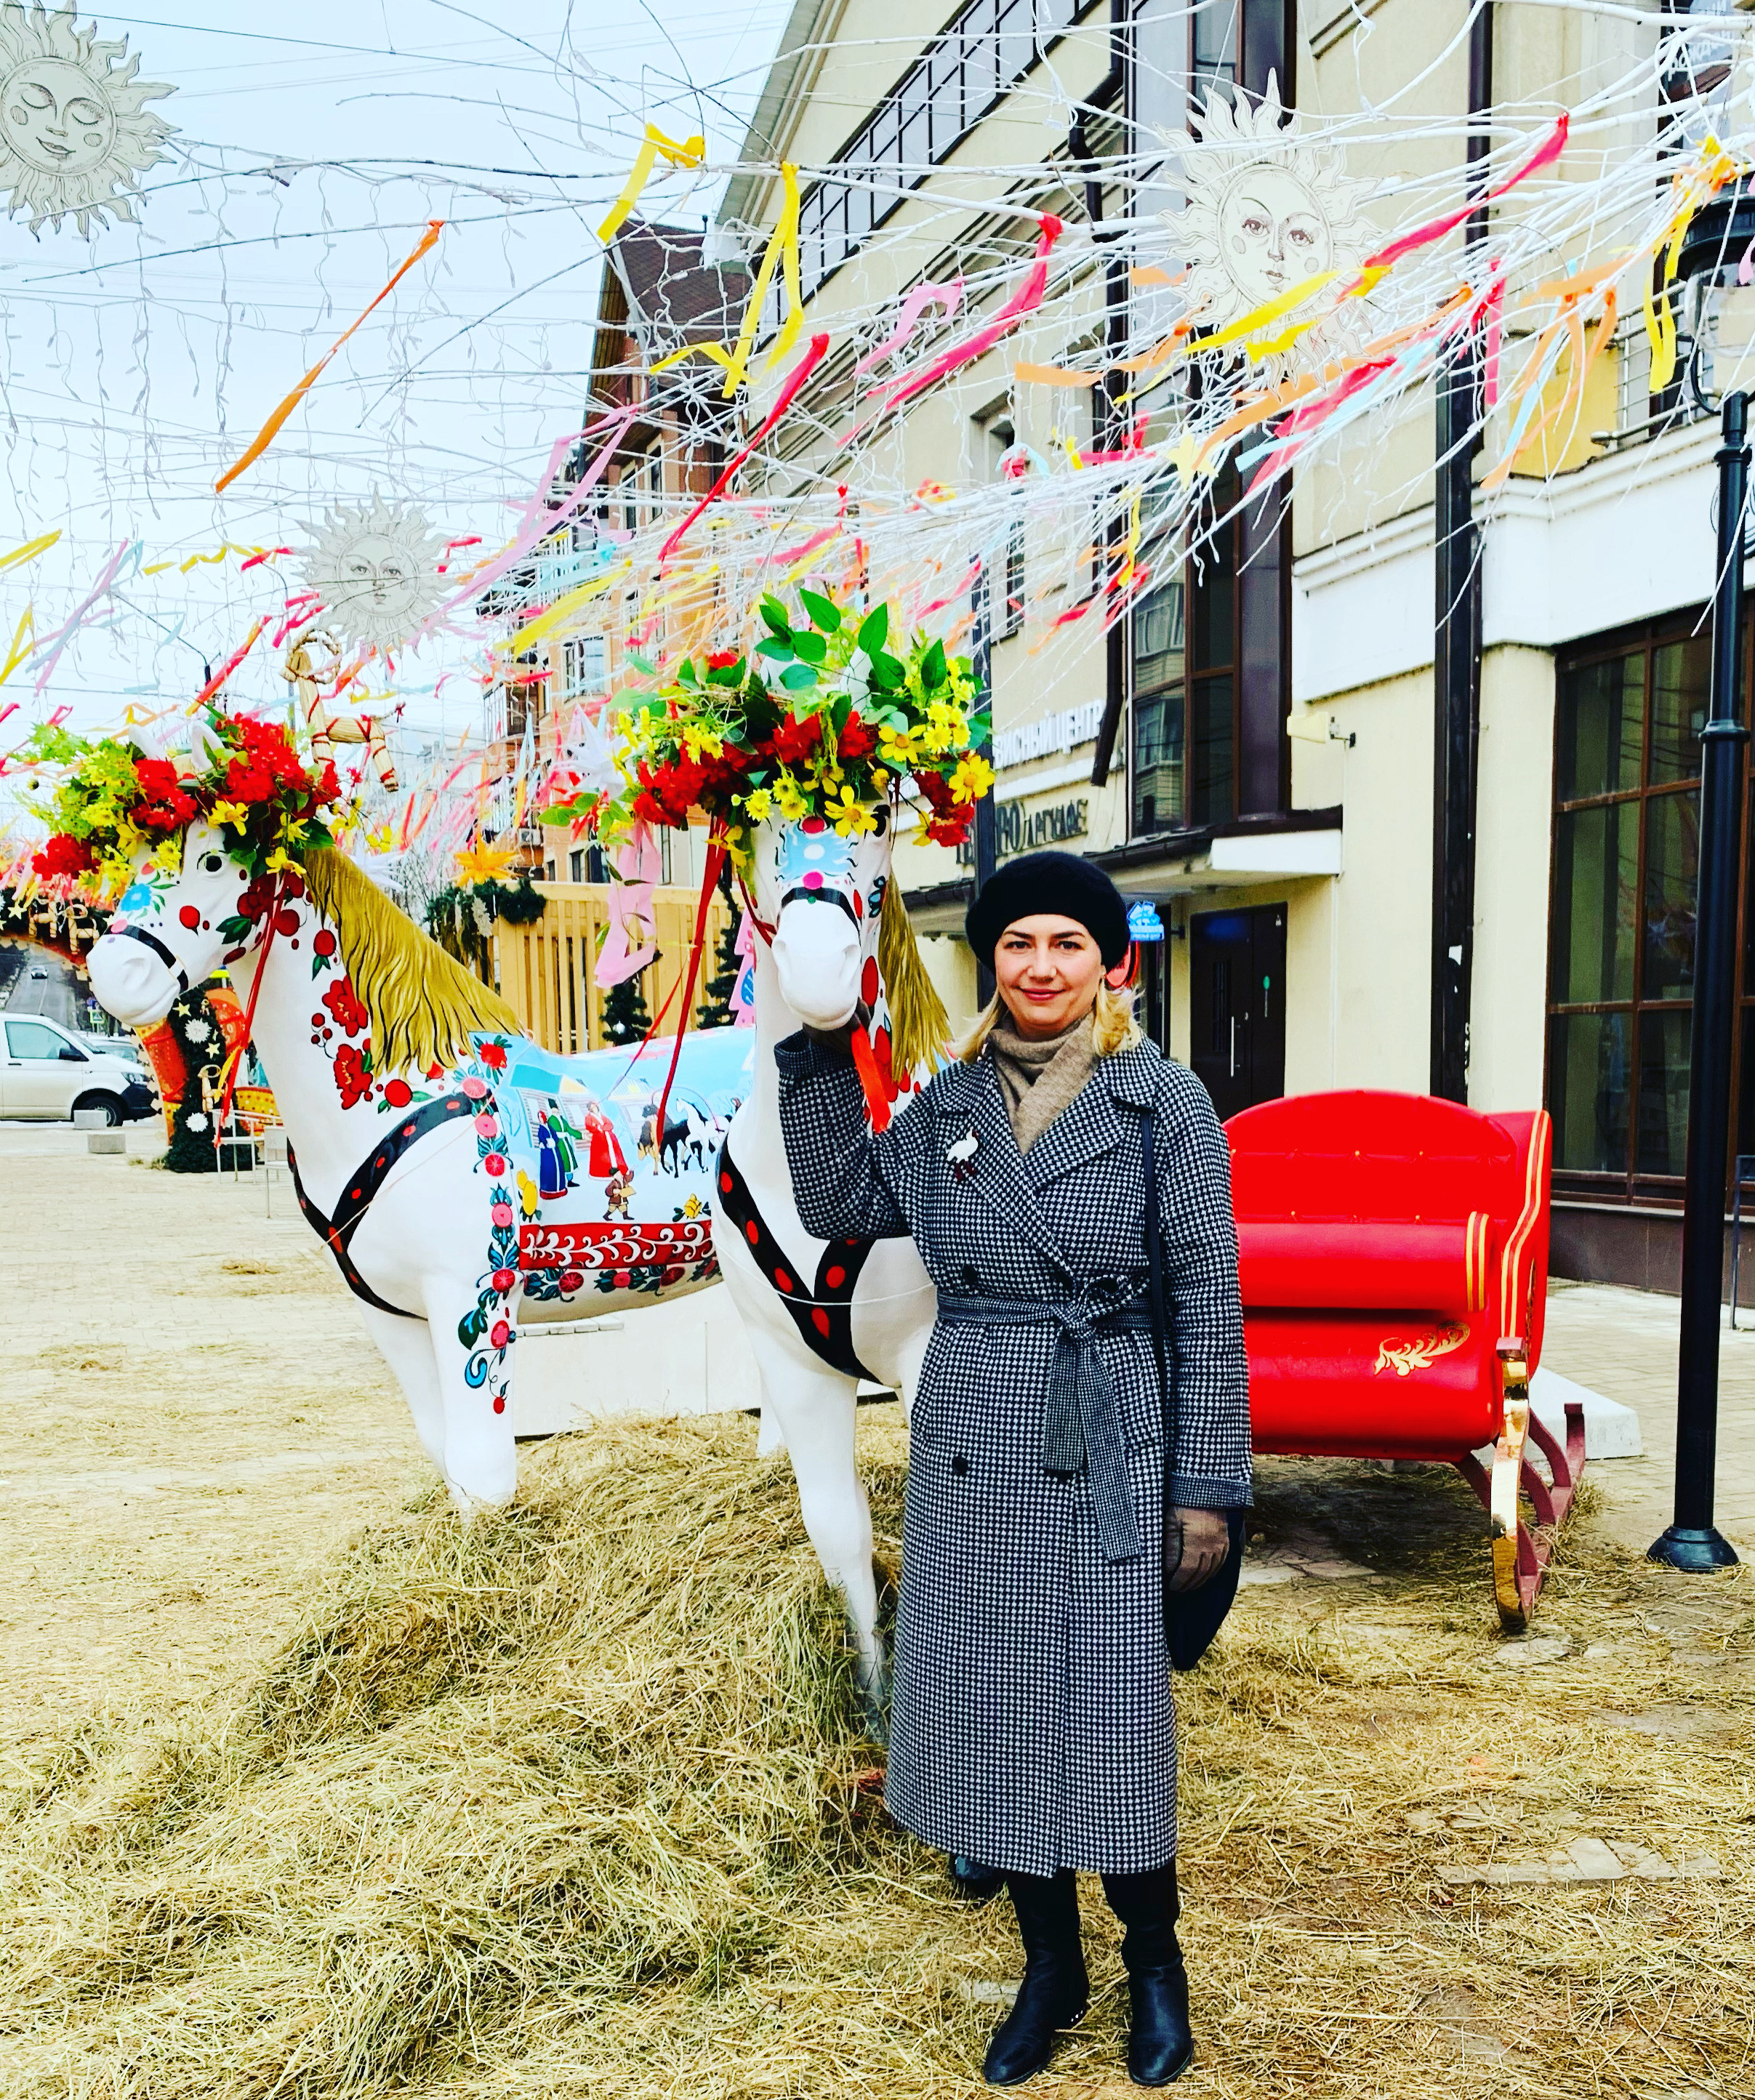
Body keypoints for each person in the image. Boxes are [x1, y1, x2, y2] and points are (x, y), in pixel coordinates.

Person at [774, 850, 1249, 2088]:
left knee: (1110, 1718)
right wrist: (811, 1034)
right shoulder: (946, 1110)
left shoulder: (1164, 1104)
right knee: (995, 1713)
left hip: (1112, 1431)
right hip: (976, 1430)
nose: (1042, 967)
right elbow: (832, 1195)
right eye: (1020, 943)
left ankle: (1152, 1960)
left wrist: (1205, 1486)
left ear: (1112, 963)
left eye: (1068, 945)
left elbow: (1205, 1299)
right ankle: (1052, 1966)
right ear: (991, 960)